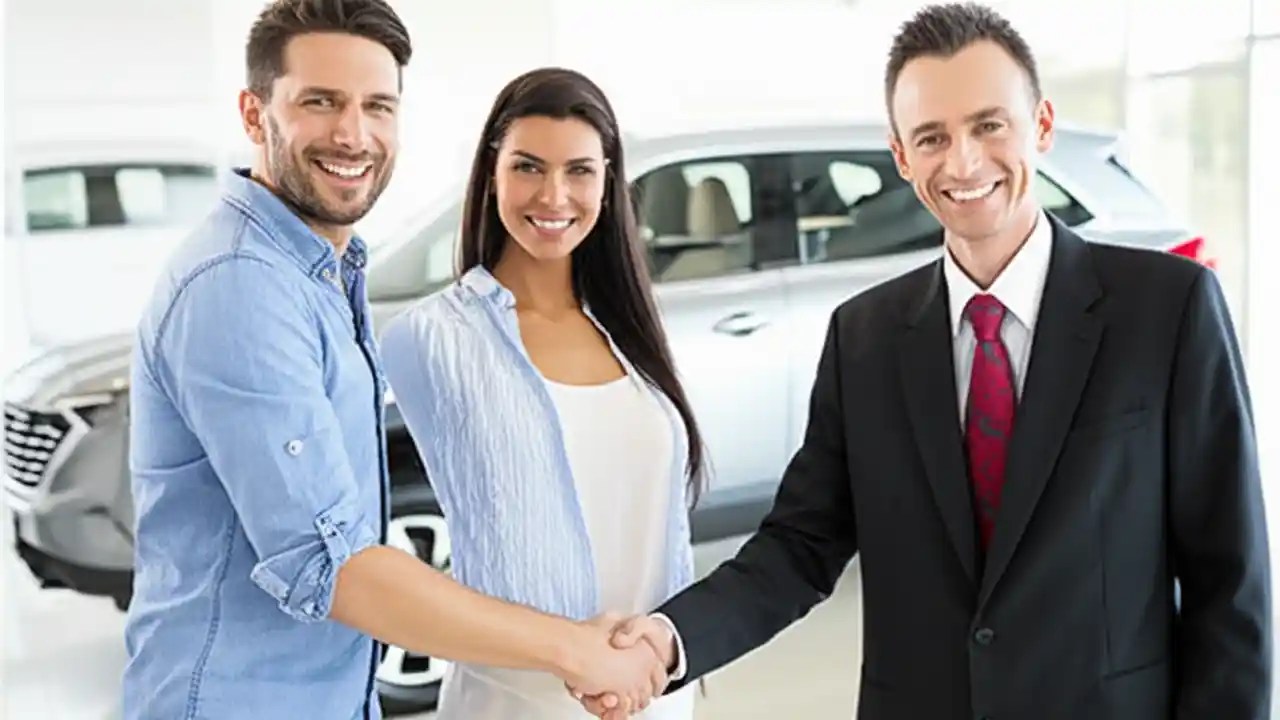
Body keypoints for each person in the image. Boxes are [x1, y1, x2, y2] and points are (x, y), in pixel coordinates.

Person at [583, 3, 1273, 719]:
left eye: (988, 125)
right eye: (932, 137)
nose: (963, 161)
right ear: (902, 157)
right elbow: (799, 545)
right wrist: (667, 641)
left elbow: (1232, 582)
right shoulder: (864, 337)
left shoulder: (1167, 308)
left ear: (1040, 126)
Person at [123, 3, 665, 719]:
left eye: (377, 106)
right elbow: (333, 565)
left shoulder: (317, 275)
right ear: (255, 115)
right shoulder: (239, 286)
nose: (353, 134)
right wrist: (576, 649)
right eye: (320, 102)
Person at [376, 66, 704, 719]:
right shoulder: (426, 340)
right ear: (491, 172)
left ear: (609, 183)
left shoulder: (630, 329)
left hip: (654, 701)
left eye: (579, 170)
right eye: (529, 167)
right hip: (516, 705)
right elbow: (358, 554)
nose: (554, 194)